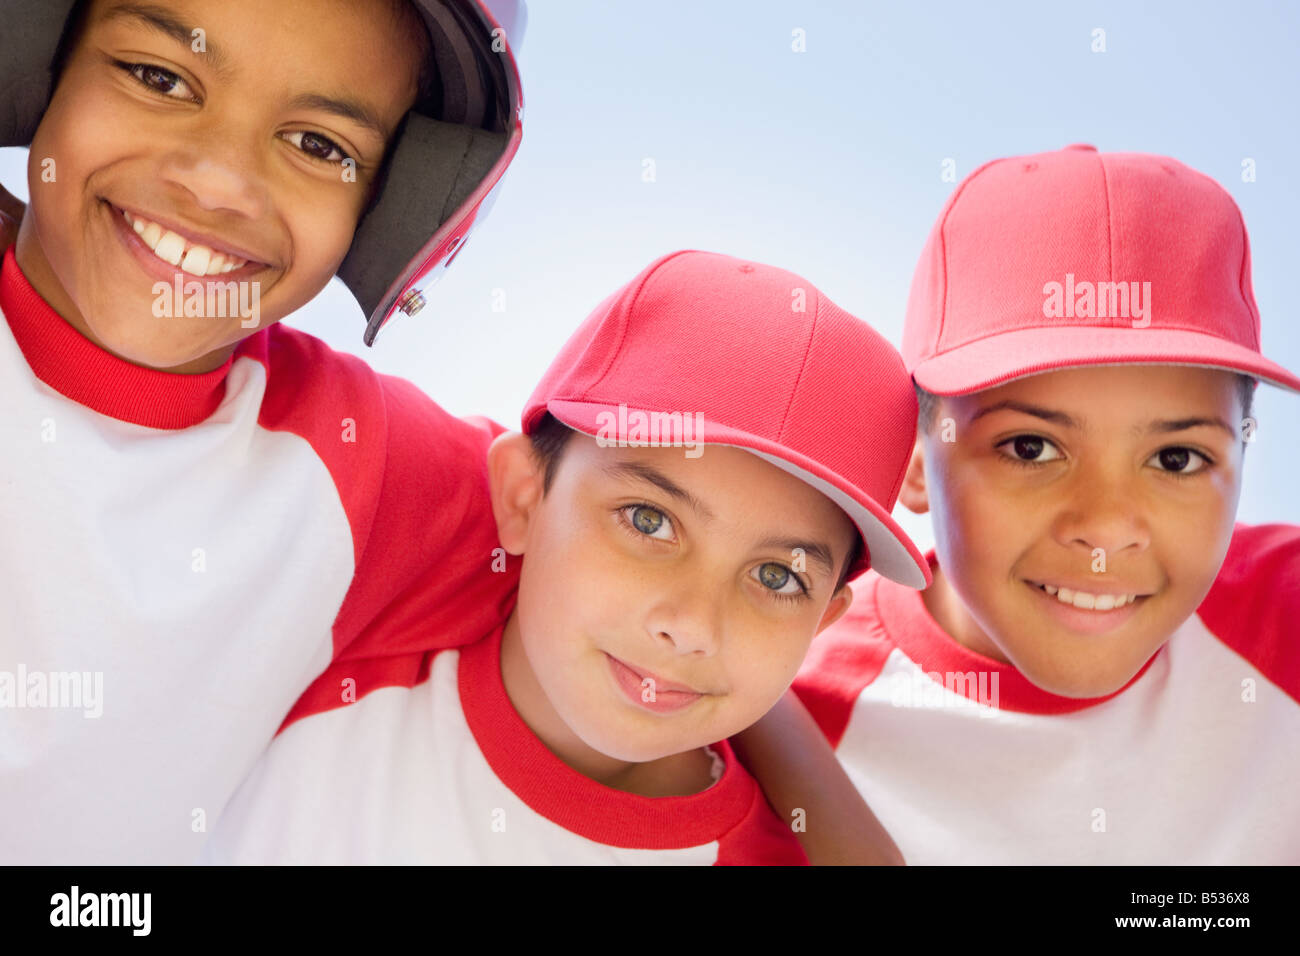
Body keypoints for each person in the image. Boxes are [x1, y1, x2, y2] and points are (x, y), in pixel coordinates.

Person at [0, 0, 523, 864]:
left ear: (396, 210)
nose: (215, 183)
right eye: (159, 78)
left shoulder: (366, 463)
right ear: (38, 63)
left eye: (320, 145)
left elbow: (667, 558)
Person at [199, 249, 932, 864]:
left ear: (826, 617)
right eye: (648, 520)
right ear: (522, 497)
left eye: (778, 577)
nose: (691, 624)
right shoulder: (334, 636)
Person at [792, 144, 1300, 864]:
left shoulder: (1286, 617)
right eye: (1030, 448)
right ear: (908, 453)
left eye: (1176, 459)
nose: (1103, 529)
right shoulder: (782, 714)